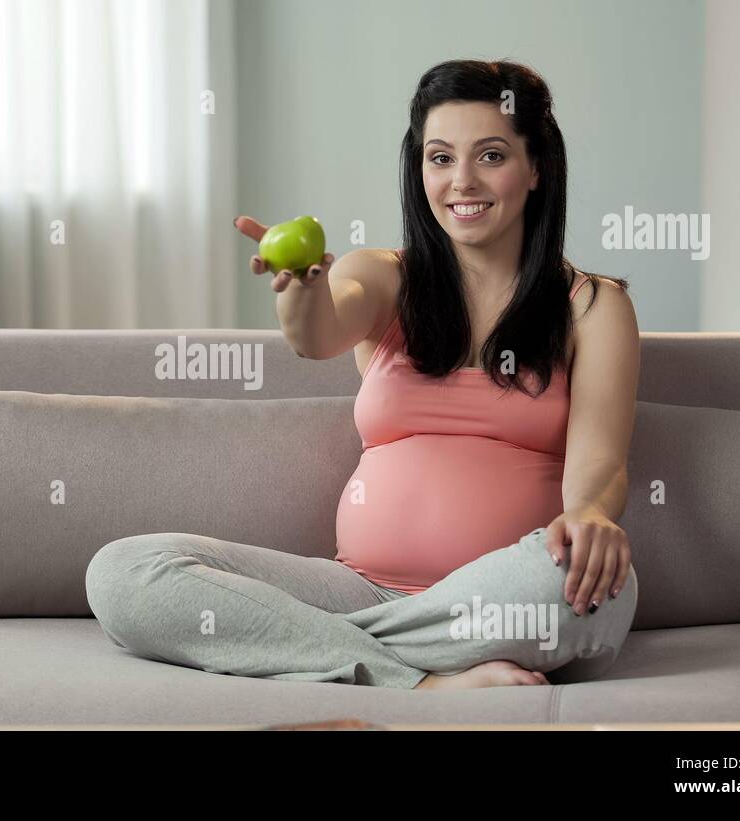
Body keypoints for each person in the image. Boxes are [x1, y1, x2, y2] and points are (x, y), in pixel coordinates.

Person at [86, 59, 640, 690]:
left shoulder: (592, 306)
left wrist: (592, 514)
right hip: (357, 590)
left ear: (536, 167)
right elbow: (317, 333)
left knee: (578, 589)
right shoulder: (383, 277)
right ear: (418, 168)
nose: (461, 181)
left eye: (490, 156)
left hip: (511, 593)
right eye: (439, 158)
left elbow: (601, 463)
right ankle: (424, 679)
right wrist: (300, 289)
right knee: (125, 571)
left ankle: (318, 650)